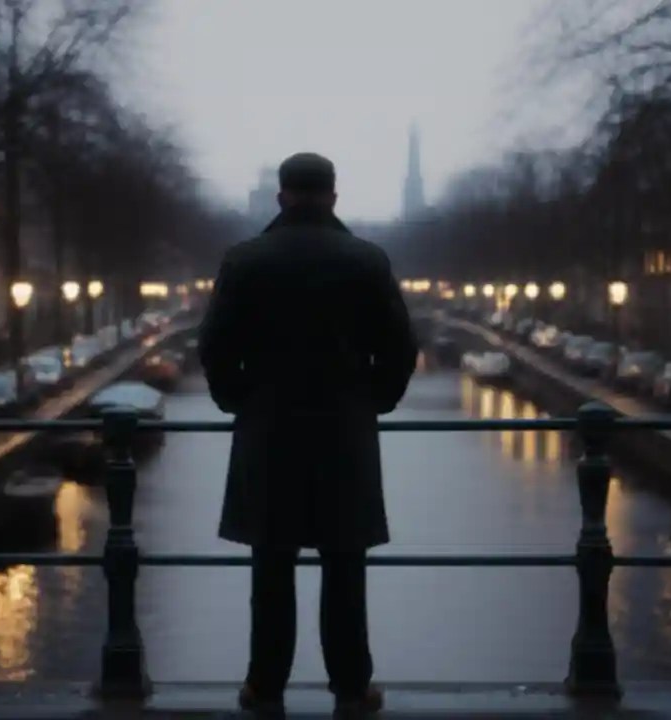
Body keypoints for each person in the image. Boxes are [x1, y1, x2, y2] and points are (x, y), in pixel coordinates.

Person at [199, 152, 419, 715]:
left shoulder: (245, 260)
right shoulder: (366, 260)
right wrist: (374, 400)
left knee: (271, 568)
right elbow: (400, 347)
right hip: (344, 434)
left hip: (269, 431)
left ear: (281, 197)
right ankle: (351, 686)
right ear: (334, 197)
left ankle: (264, 685)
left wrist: (238, 400)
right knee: (345, 567)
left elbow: (215, 345)